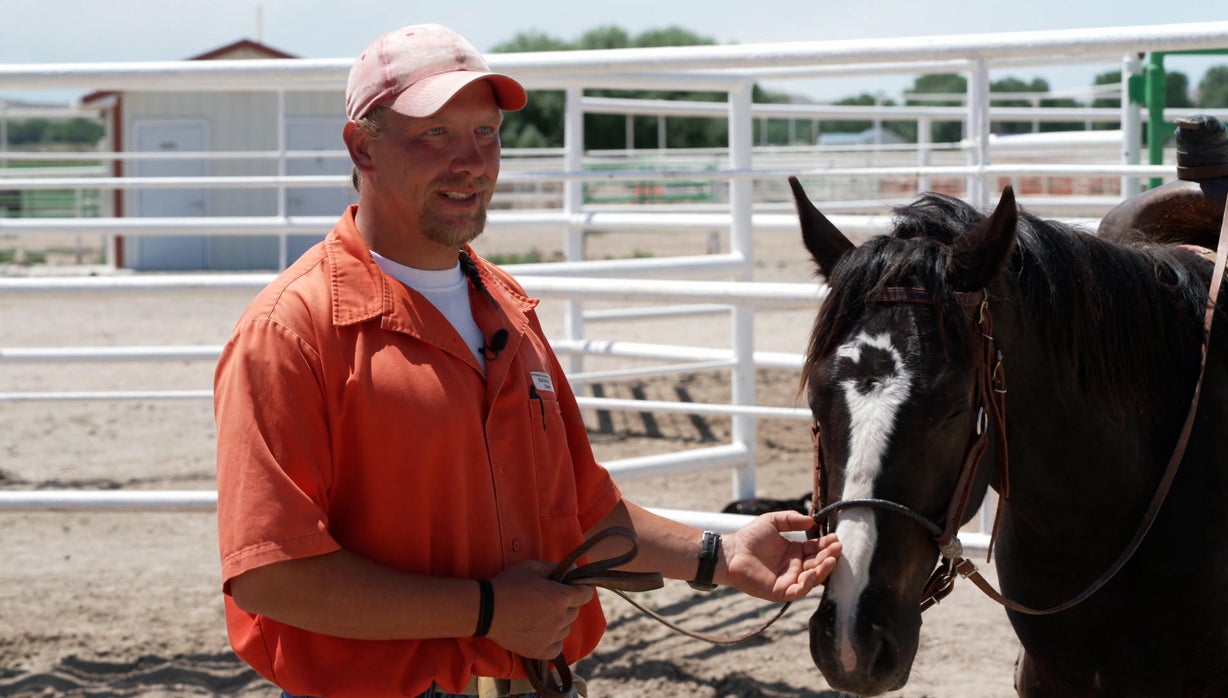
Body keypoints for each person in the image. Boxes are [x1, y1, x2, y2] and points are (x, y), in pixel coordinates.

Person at [214, 23, 842, 698]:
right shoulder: (295, 331)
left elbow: (579, 511)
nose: (472, 162)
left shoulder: (507, 308)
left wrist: (720, 555)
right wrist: (486, 610)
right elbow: (269, 575)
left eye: (486, 133)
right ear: (361, 146)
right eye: (436, 135)